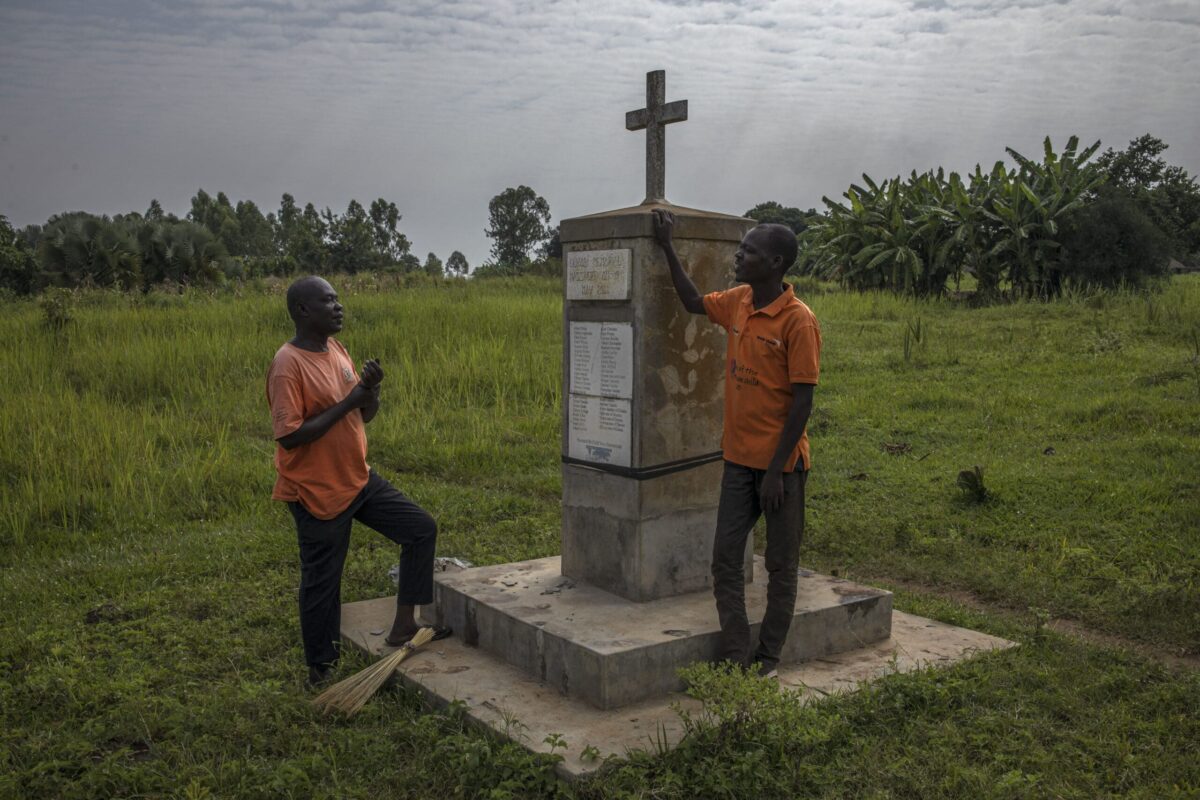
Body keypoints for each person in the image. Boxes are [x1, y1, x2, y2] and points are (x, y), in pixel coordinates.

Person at [652, 209, 820, 678]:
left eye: (749, 251)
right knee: (725, 560)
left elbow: (802, 404)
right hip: (737, 463)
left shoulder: (798, 322)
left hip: (780, 469)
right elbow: (690, 301)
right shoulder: (739, 302)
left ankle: (767, 657)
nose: (739, 256)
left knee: (782, 568)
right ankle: (735, 655)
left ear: (776, 262)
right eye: (740, 248)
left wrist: (774, 472)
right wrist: (668, 246)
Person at [266, 276, 448, 687]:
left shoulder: (335, 349)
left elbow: (361, 415)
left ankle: (404, 625)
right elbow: (290, 435)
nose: (338, 307)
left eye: (338, 299)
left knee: (420, 530)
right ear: (302, 311)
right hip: (316, 490)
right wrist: (350, 399)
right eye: (328, 301)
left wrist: (370, 390)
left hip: (357, 478)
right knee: (323, 581)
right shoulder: (287, 365)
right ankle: (320, 667)